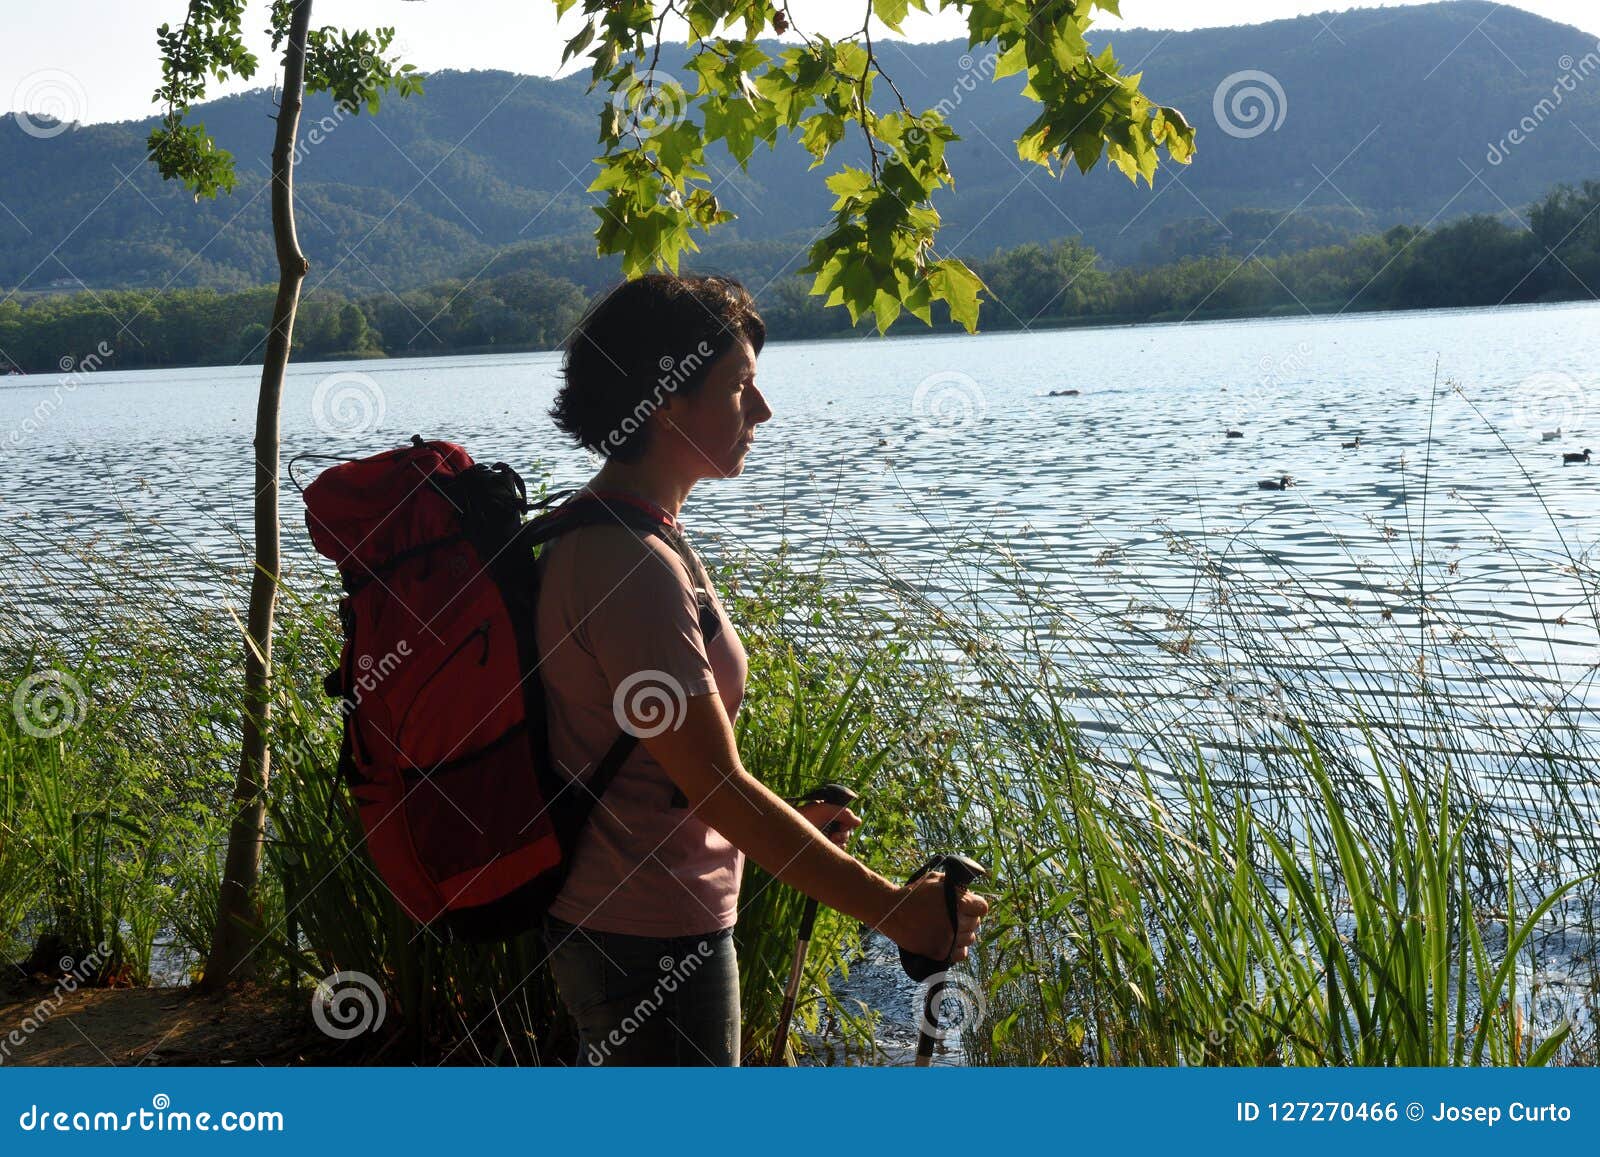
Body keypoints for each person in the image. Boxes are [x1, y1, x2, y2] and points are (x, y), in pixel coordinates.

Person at [536, 272, 989, 1066]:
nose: (763, 409)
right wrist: (894, 910)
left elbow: (672, 778)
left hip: (638, 922)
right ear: (667, 398)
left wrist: (787, 833)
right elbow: (717, 786)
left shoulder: (631, 534)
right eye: (741, 385)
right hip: (648, 940)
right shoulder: (629, 565)